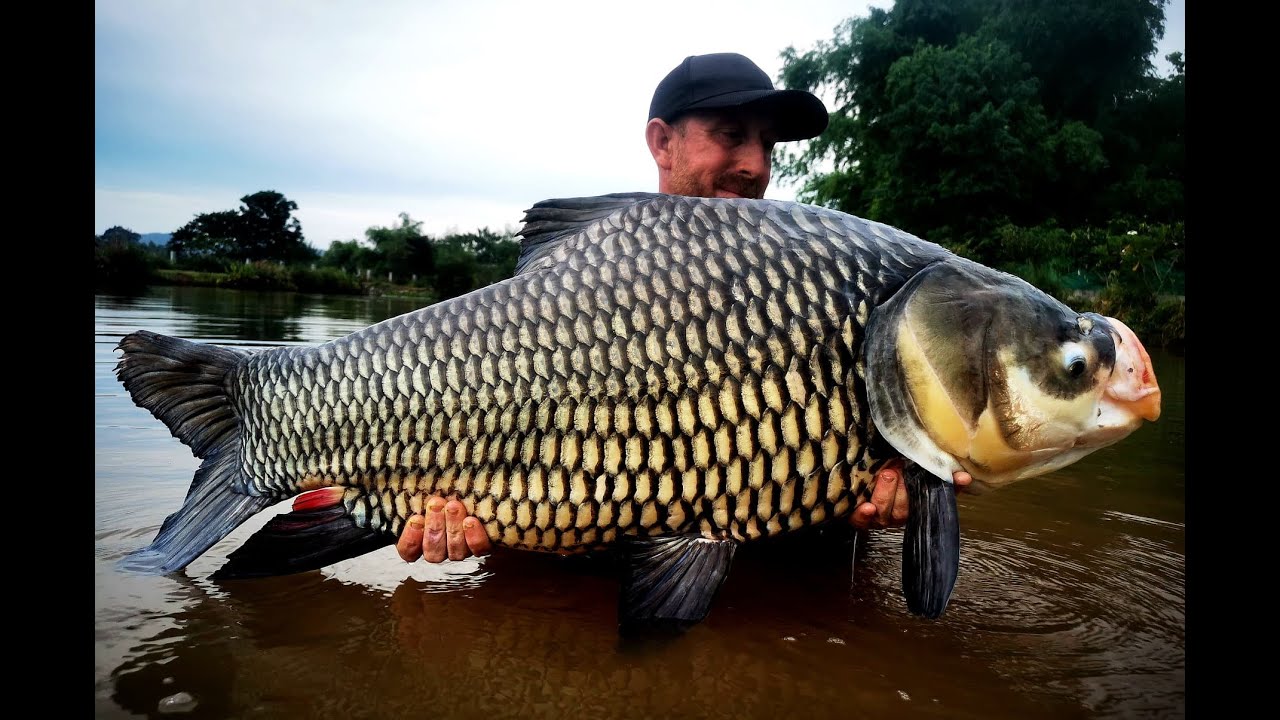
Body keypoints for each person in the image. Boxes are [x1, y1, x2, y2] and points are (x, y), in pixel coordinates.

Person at [396, 52, 972, 565]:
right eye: (729, 134)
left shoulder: (805, 288)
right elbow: (513, 483)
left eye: (767, 144)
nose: (755, 165)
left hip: (753, 622)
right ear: (661, 143)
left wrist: (851, 506)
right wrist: (463, 522)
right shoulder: (563, 304)